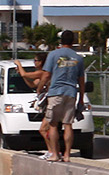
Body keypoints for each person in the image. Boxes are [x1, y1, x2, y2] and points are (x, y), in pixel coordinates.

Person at [41, 31, 86, 163]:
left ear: (61, 41)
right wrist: (81, 98)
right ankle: (67, 154)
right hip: (71, 93)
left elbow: (46, 75)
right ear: (73, 41)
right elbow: (81, 80)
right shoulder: (78, 57)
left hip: (56, 92)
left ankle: (55, 154)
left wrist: (40, 89)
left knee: (53, 124)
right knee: (68, 124)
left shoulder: (53, 55)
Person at [14, 49, 55, 159]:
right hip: (48, 105)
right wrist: (23, 75)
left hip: (51, 104)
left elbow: (26, 74)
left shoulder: (43, 72)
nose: (34, 63)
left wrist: (19, 64)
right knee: (47, 129)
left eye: (36, 60)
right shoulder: (42, 74)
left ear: (41, 62)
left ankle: (53, 151)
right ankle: (52, 151)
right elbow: (33, 84)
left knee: (43, 129)